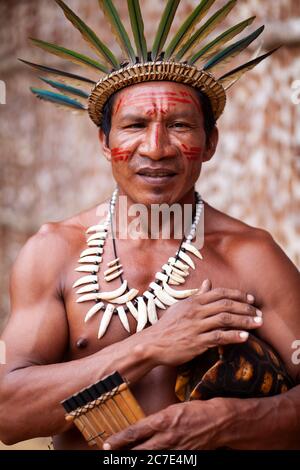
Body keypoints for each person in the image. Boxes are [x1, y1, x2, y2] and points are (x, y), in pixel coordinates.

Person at [0, 0, 299, 450]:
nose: (156, 149)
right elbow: (8, 415)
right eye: (134, 125)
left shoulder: (251, 256)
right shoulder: (55, 251)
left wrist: (229, 420)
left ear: (210, 141)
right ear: (104, 141)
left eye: (180, 125)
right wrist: (149, 347)